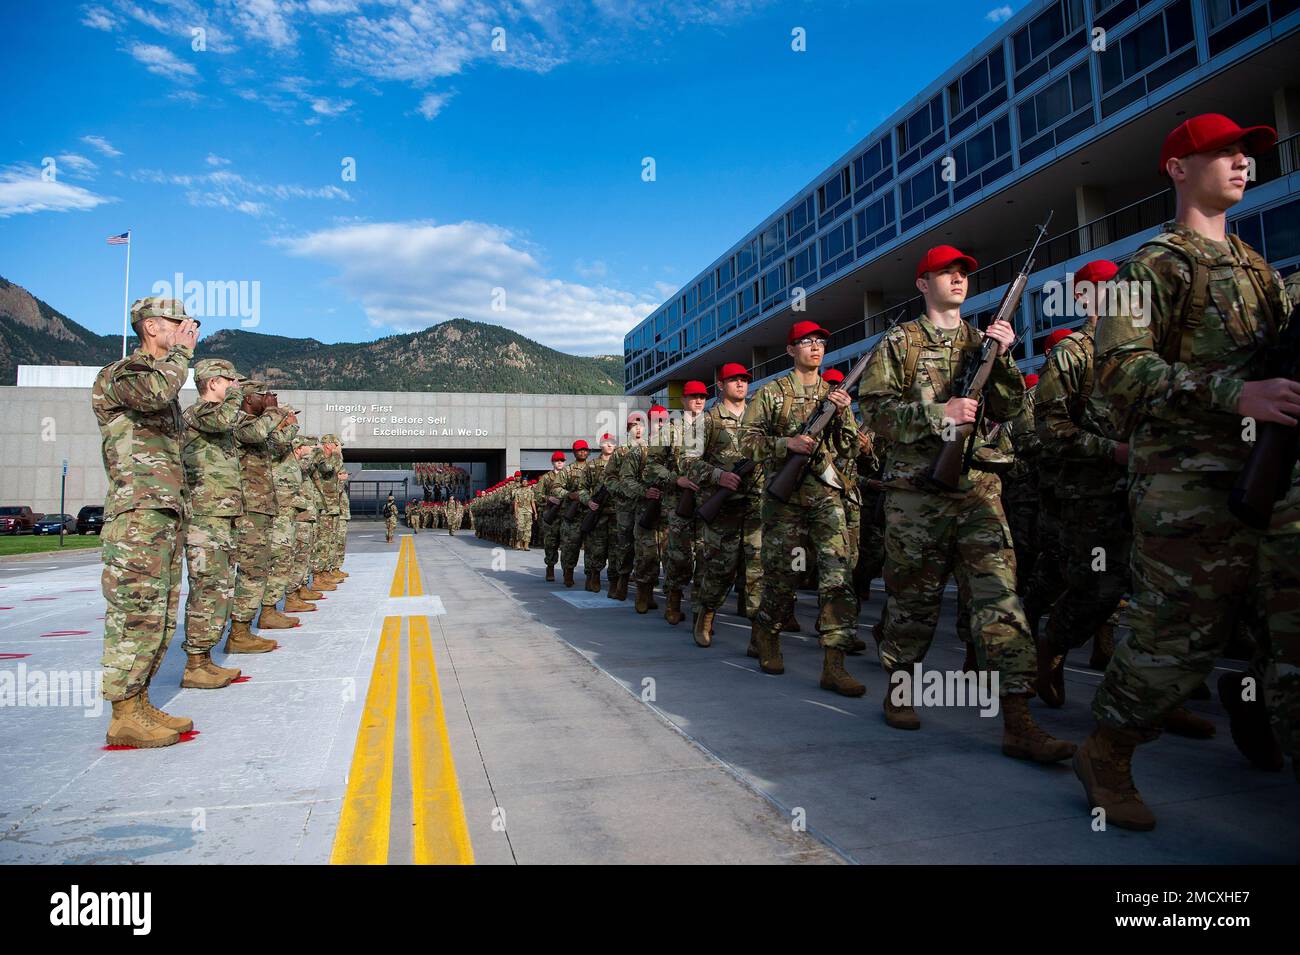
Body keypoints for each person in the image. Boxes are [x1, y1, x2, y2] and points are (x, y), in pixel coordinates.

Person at [1079, 114, 1299, 829]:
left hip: (1272, 478)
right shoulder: (1155, 265)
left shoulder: (1258, 268)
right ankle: (1107, 751)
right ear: (1178, 168)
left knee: (1285, 626)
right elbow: (1118, 368)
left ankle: (1266, 725)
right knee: (1173, 641)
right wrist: (1233, 393)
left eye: (1247, 154)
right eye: (1223, 152)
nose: (1242, 163)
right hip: (1186, 490)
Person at [858, 245, 1075, 762]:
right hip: (917, 494)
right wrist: (939, 413)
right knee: (914, 598)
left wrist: (1003, 357)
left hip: (979, 488)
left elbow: (1010, 407)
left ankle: (1018, 719)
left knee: (1000, 599)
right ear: (922, 284)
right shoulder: (901, 342)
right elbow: (873, 411)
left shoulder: (985, 339)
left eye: (963, 274)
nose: (957, 280)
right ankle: (901, 688)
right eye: (945, 273)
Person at [92, 297, 199, 748]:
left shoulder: (163, 379)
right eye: (178, 323)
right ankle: (123, 713)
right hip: (137, 514)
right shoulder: (123, 375)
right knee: (135, 613)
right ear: (152, 326)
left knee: (158, 615)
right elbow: (158, 391)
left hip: (162, 513)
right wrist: (183, 355)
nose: (186, 330)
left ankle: (138, 703)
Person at [739, 321, 865, 697]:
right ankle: (767, 635)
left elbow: (851, 449)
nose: (815, 347)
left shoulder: (835, 394)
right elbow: (746, 443)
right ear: (791, 349)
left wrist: (843, 414)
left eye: (821, 342)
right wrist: (786, 446)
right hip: (785, 500)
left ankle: (834, 664)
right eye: (807, 342)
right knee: (782, 577)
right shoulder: (772, 393)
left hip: (827, 496)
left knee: (838, 576)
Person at [180, 359, 252, 690]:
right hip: (204, 518)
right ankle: (195, 662)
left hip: (221, 518)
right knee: (207, 588)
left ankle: (204, 659)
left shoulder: (216, 420)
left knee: (220, 589)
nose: (234, 388)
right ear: (212, 383)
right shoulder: (200, 414)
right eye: (229, 382)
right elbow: (225, 417)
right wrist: (237, 396)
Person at [688, 363, 758, 647]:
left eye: (744, 379)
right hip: (723, 506)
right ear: (720, 385)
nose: (741, 384)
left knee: (758, 569)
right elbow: (688, 462)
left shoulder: (760, 416)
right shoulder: (707, 421)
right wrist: (718, 475)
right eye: (734, 380)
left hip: (757, 503)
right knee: (720, 567)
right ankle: (706, 614)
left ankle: (761, 635)